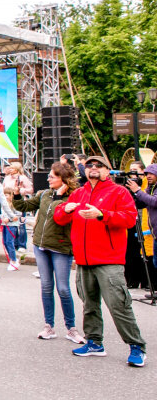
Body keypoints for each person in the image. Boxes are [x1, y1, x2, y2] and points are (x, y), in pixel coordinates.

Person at [55, 155, 146, 366]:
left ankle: (137, 346)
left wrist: (102, 214)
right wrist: (64, 209)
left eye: (99, 166)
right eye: (90, 166)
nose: (93, 168)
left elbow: (130, 219)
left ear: (108, 170)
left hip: (109, 260)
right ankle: (94, 342)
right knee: (89, 304)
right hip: (84, 260)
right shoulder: (79, 193)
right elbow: (59, 218)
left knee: (119, 305)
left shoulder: (119, 192)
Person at [12, 162, 84, 343]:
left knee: (63, 289)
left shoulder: (73, 198)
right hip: (41, 245)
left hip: (60, 247)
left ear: (64, 179)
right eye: (49, 176)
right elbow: (24, 206)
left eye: (53, 176)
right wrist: (16, 195)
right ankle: (49, 326)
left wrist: (58, 197)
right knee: (46, 286)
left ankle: (71, 328)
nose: (48, 178)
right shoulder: (44, 194)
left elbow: (57, 216)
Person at [126, 163, 157, 299]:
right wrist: (133, 193)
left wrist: (138, 190)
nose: (148, 176)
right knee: (156, 263)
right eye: (146, 174)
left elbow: (155, 202)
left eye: (151, 174)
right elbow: (142, 204)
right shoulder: (150, 188)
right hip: (155, 232)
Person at [123, 160, 150, 289]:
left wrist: (137, 190)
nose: (133, 173)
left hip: (145, 222)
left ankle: (146, 280)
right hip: (132, 221)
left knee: (144, 251)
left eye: (136, 170)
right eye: (131, 170)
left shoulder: (147, 185)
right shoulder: (128, 185)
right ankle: (132, 280)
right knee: (131, 250)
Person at [2, 160, 33, 268]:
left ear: (17, 168)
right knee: (10, 231)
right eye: (9, 168)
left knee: (20, 224)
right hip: (8, 202)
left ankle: (22, 244)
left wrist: (20, 191)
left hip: (19, 201)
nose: (9, 170)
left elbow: (30, 189)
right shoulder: (7, 178)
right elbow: (4, 188)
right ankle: (14, 244)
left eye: (12, 168)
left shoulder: (22, 178)